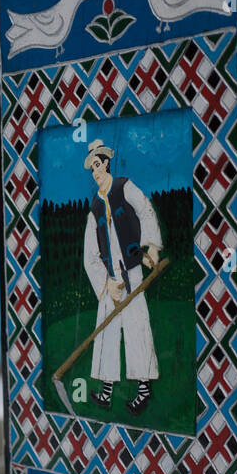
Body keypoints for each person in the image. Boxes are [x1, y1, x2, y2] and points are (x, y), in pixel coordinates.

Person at [81, 139, 163, 416]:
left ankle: (143, 389)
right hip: (110, 279)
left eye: (97, 165)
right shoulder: (94, 209)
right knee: (106, 331)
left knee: (137, 324)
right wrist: (106, 283)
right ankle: (106, 392)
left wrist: (151, 246)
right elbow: (89, 254)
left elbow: (145, 209)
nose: (95, 172)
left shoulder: (123, 186)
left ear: (106, 163)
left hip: (132, 269)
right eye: (91, 168)